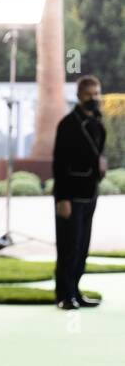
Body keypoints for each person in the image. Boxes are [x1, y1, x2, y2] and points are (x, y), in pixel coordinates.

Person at [52, 76, 107, 310]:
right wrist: (61, 198)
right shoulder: (68, 125)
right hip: (71, 195)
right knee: (68, 246)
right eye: (89, 95)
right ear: (79, 96)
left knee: (82, 246)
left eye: (96, 94)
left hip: (89, 193)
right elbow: (59, 163)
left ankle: (75, 290)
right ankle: (64, 295)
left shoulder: (97, 124)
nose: (94, 99)